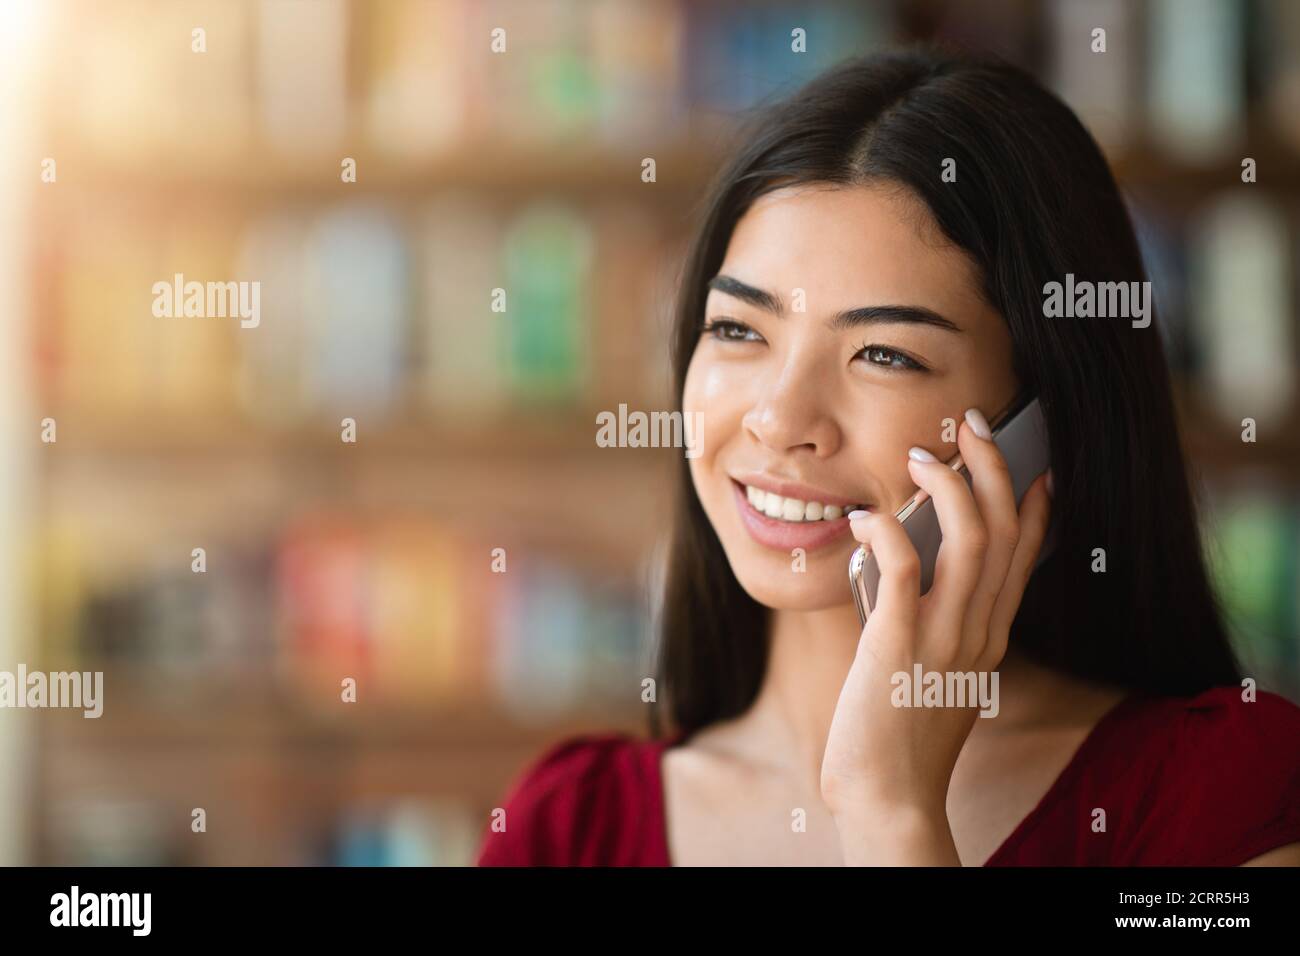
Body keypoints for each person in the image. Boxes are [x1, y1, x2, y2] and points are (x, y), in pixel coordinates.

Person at [476, 48, 1300, 866]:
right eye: (738, 331)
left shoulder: (1219, 796)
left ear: (1041, 427)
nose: (778, 419)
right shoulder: (569, 829)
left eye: (885, 355)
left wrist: (892, 813)